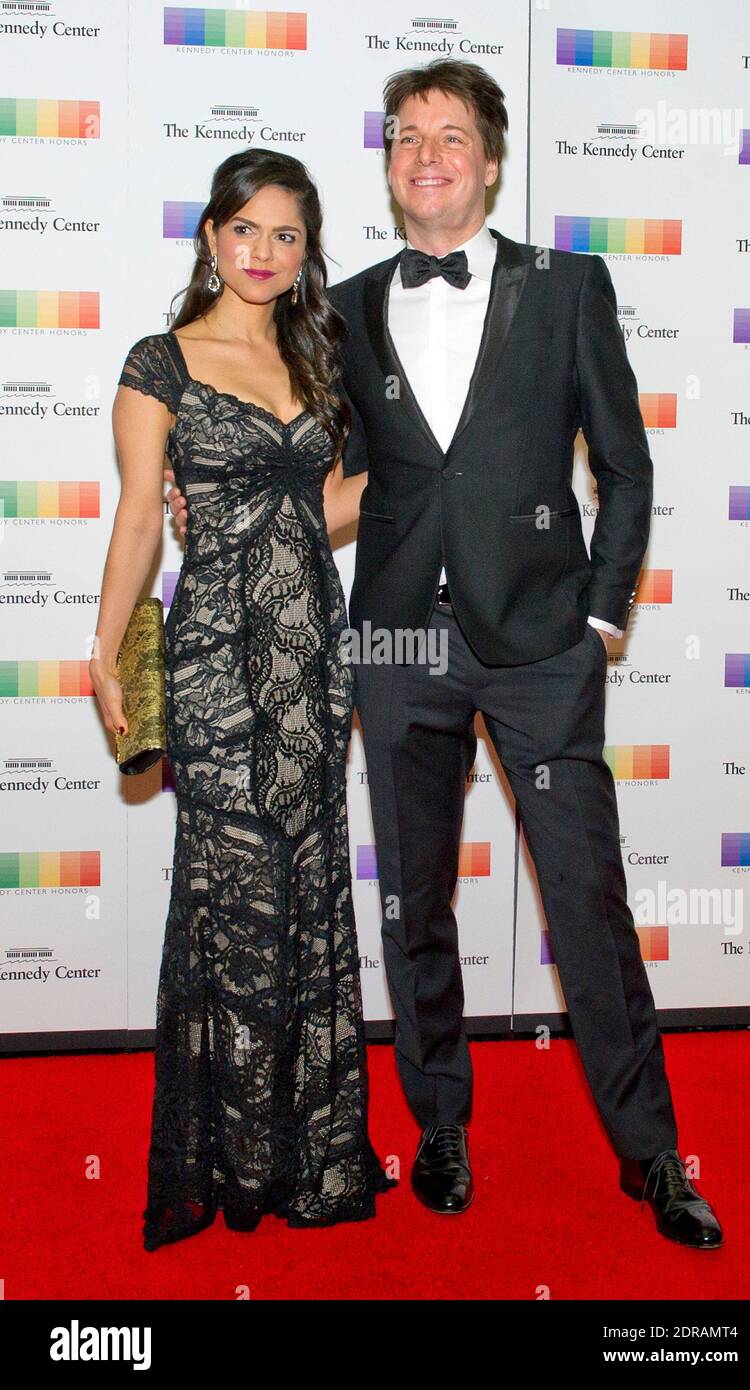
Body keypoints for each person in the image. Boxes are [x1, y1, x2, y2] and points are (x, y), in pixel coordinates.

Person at [169, 62, 723, 1249]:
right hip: (396, 645)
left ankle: (653, 1154)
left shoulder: (568, 286)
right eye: (407, 136)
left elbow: (624, 465)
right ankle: (439, 1126)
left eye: (451, 135)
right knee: (415, 901)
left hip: (539, 651)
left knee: (587, 905)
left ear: (488, 158)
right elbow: (317, 485)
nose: (429, 154)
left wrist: (599, 619)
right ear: (386, 164)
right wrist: (210, 499)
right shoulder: (348, 307)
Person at [91, 148, 395, 1252]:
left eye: (286, 235)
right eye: (245, 228)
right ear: (211, 236)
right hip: (214, 656)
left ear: (305, 251)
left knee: (310, 885)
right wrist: (106, 649)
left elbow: (322, 510)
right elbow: (137, 519)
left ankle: (306, 1153)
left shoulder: (322, 361)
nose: (263, 252)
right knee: (233, 894)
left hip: (311, 656)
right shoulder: (160, 361)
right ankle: (225, 1156)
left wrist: (435, 472)